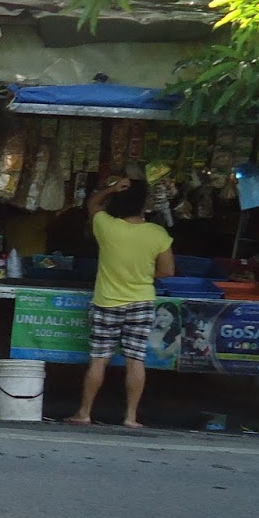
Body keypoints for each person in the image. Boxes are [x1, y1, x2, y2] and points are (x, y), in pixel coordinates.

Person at [67, 177, 175, 429]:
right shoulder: (157, 234)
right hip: (141, 302)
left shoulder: (107, 226)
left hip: (106, 302)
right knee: (135, 360)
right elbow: (168, 271)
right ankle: (130, 417)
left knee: (98, 360)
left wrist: (110, 188)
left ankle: (84, 413)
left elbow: (92, 204)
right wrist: (143, 274)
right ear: (143, 205)